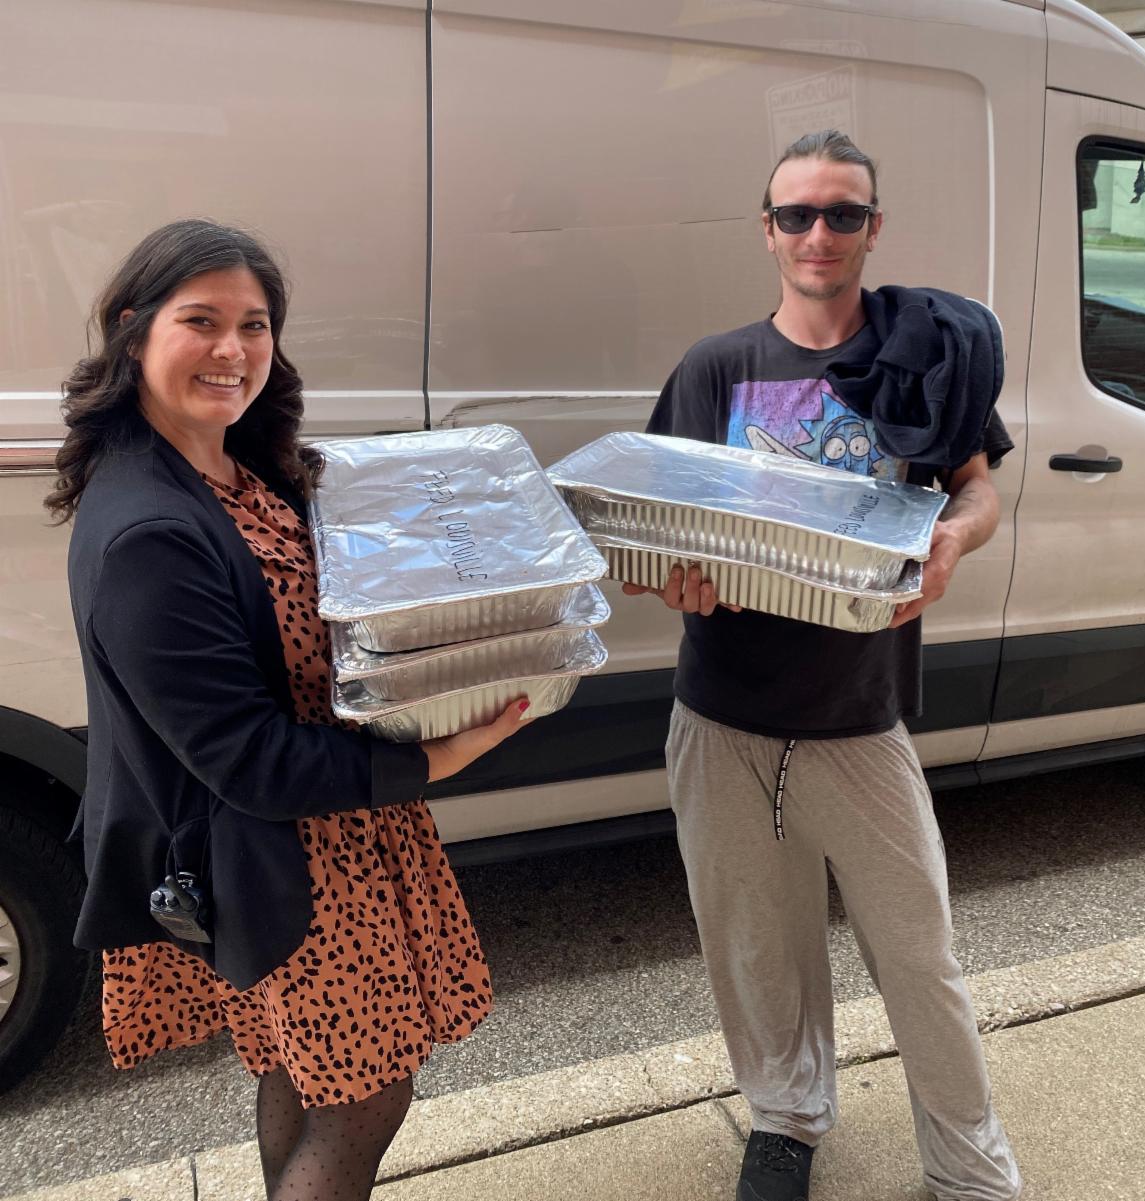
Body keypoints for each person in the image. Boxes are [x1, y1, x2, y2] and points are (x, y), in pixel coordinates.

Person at [49, 219, 531, 1201]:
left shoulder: (233, 463)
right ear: (134, 329)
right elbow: (250, 760)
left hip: (324, 833)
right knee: (365, 1094)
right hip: (287, 856)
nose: (234, 349)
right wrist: (441, 755)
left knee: (304, 1071)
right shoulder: (146, 529)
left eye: (255, 323)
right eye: (203, 320)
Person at [627, 131, 1023, 1201]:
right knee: (757, 948)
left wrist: (955, 537)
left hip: (860, 718)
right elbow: (659, 525)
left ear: (873, 228)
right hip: (721, 715)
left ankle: (972, 1167)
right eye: (797, 215)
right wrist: (673, 576)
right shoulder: (717, 367)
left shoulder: (925, 352)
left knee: (920, 957)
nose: (819, 233)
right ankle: (787, 1118)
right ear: (767, 231)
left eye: (842, 214)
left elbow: (976, 486)